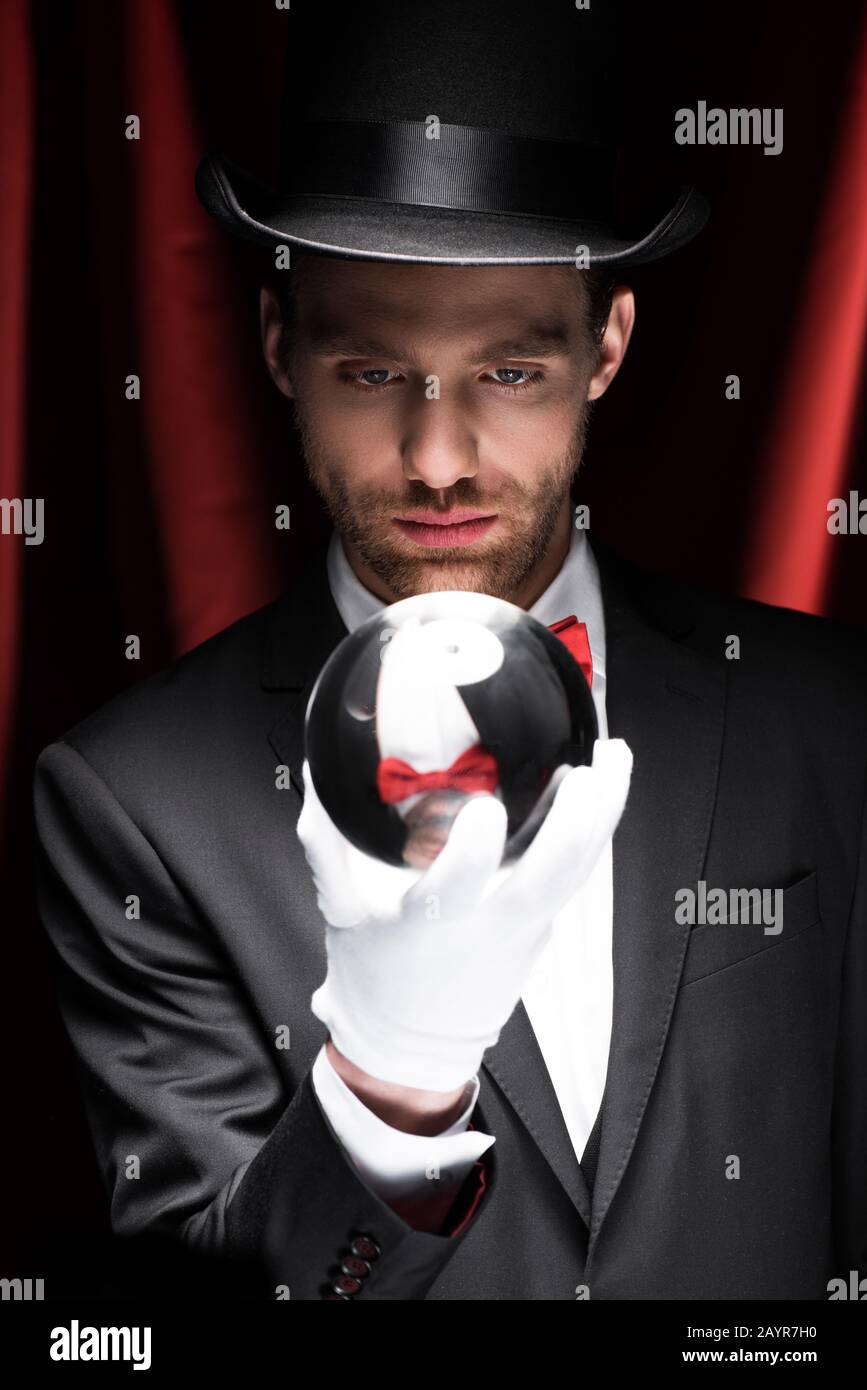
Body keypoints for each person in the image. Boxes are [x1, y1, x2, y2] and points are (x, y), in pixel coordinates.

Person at [33, 2, 866, 1300]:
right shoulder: (133, 799)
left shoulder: (829, 718)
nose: (436, 459)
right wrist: (391, 1076)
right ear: (279, 346)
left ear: (607, 344)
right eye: (372, 373)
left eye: (509, 372)